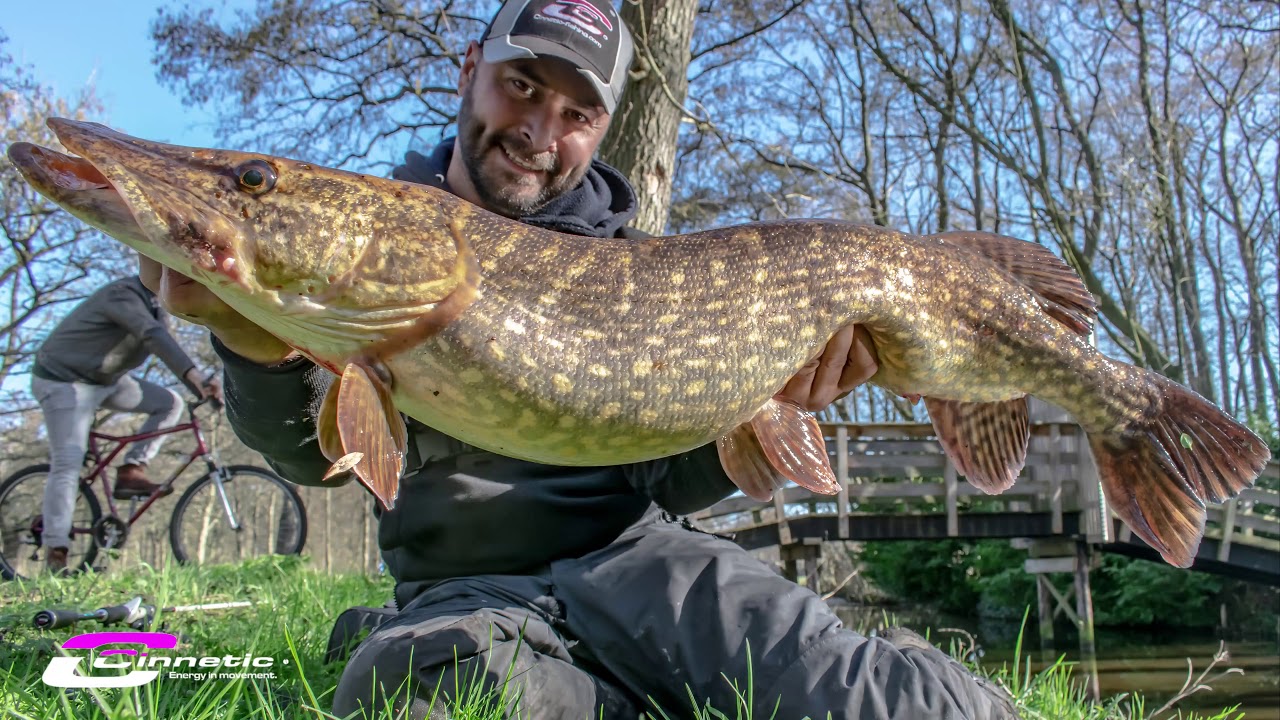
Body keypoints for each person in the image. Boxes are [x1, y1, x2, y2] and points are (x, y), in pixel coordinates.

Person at [144, 1, 1019, 717]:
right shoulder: (379, 247)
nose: (538, 129)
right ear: (470, 75)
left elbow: (668, 482)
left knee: (887, 704)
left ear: (601, 129)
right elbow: (311, 458)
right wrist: (250, 345)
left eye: (576, 114)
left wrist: (772, 396)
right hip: (469, 589)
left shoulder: (646, 269)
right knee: (420, 699)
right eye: (520, 86)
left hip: (648, 564)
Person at [30, 274, 221, 573]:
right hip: (63, 379)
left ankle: (131, 470)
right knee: (68, 461)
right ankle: (56, 550)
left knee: (170, 403)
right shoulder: (122, 294)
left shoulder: (159, 305)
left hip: (106, 380)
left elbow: (166, 341)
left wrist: (202, 386)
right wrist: (194, 376)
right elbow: (151, 335)